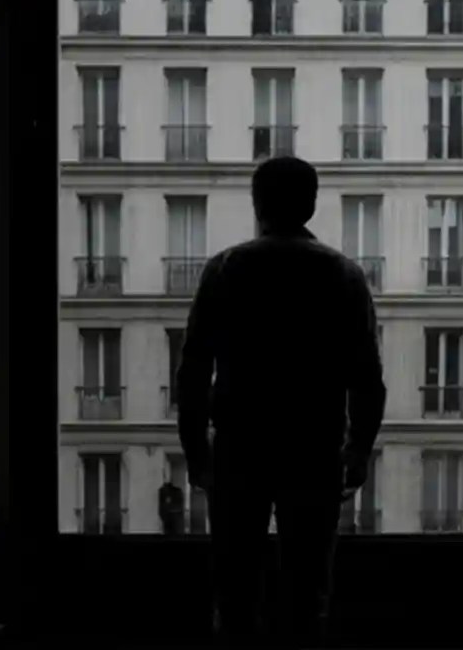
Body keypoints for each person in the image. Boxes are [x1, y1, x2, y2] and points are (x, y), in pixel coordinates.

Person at [177, 156, 386, 647]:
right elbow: (366, 375)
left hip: (239, 447)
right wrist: (358, 448)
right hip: (313, 449)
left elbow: (193, 368)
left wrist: (196, 449)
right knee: (307, 591)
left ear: (257, 204)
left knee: (234, 590)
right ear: (311, 204)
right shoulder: (344, 275)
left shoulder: (225, 269)